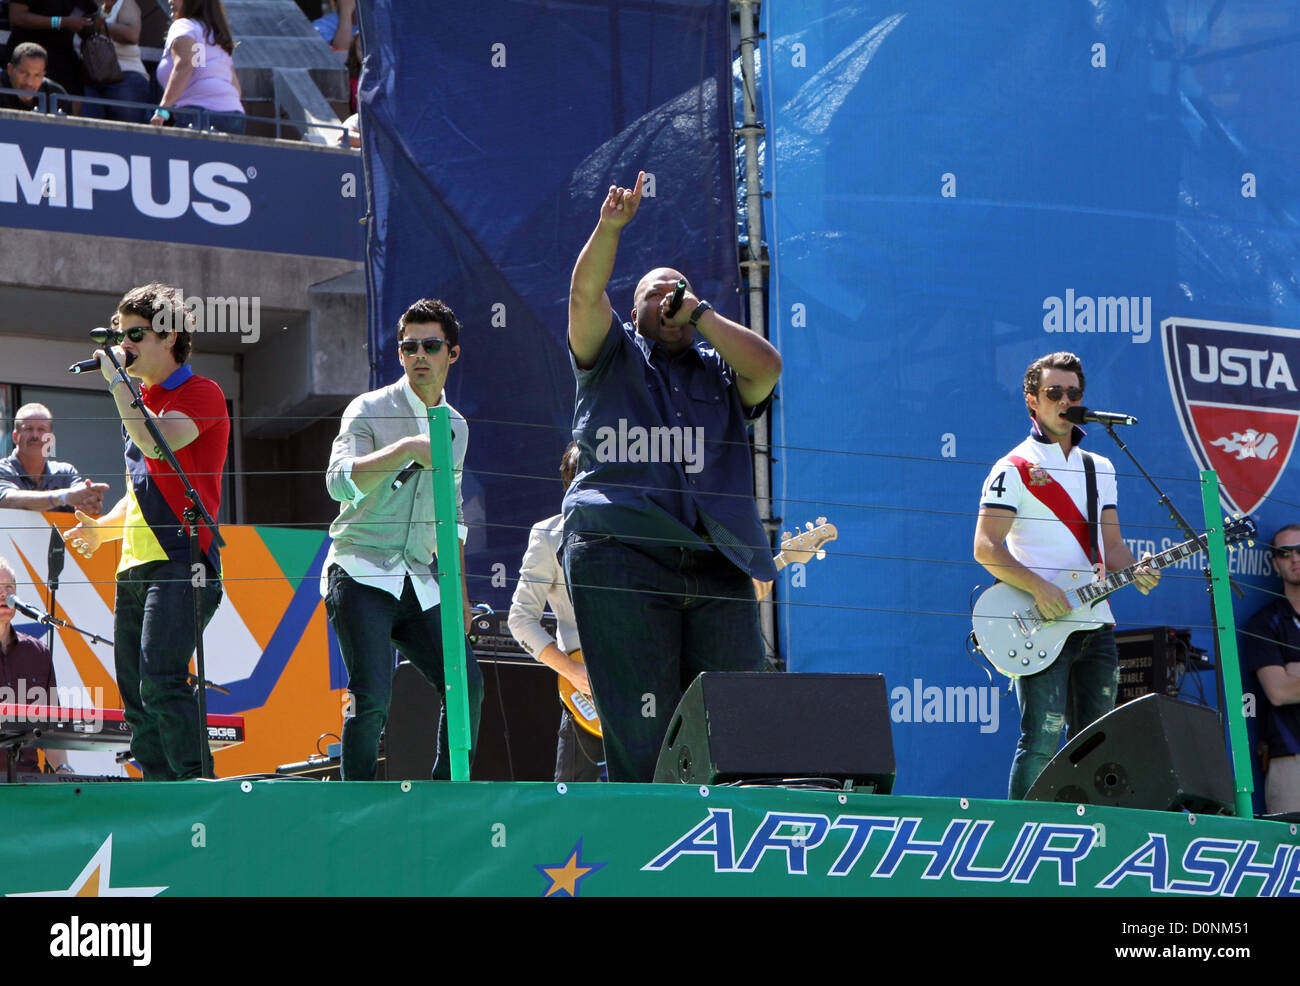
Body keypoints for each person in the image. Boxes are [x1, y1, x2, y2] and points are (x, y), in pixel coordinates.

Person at [563, 170, 783, 782]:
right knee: (642, 735)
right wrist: (610, 228)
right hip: (622, 552)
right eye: (657, 295)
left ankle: (726, 863)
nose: (672, 300)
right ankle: (643, 860)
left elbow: (767, 368)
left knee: (734, 731)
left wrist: (702, 312)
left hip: (717, 560)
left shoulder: (719, 368)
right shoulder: (611, 358)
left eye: (680, 292)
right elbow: (585, 297)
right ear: (633, 314)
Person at [63, 282, 229, 781]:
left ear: (169, 336)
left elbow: (160, 446)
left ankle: (198, 794)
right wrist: (104, 531)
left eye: (134, 334)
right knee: (136, 697)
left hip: (183, 561)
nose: (123, 344)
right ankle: (161, 798)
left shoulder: (200, 392)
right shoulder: (139, 400)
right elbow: (145, 494)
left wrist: (118, 384)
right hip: (135, 566)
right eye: (119, 334)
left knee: (162, 681)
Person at [974, 351, 1159, 800]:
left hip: (1096, 624)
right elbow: (985, 547)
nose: (1065, 401)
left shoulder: (1101, 468)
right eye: (1053, 392)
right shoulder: (1012, 467)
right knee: (1040, 743)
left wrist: (1137, 571)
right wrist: (1039, 587)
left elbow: (1113, 549)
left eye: (1073, 393)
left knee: (1097, 745)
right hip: (1041, 620)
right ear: (1031, 401)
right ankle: (1020, 843)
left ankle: (1087, 839)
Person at [323, 298, 482, 781]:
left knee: (466, 684)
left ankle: (445, 796)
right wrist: (405, 449)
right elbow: (337, 483)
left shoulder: (456, 426)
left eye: (430, 346)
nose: (418, 356)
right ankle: (359, 807)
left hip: (418, 577)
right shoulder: (367, 408)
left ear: (451, 354)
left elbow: (451, 515)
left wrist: (461, 597)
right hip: (359, 568)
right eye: (408, 346)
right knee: (371, 694)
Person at [508, 442, 604, 782]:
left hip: (641, 684)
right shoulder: (548, 534)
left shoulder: (641, 528)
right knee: (570, 804)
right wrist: (572, 671)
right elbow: (520, 619)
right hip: (584, 692)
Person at [1241, 524, 1300, 814]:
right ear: (1275, 564)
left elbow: (1290, 685)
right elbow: (1278, 692)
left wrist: (1294, 671)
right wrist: (1287, 680)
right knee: (1291, 858)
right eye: (1285, 553)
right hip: (1290, 761)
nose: (1295, 558)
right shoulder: (1265, 623)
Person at [0, 555, 70, 775]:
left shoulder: (38, 653)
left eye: (10, 587)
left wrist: (63, 769)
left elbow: (51, 728)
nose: (5, 594)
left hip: (28, 783)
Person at [152, 0, 244, 135]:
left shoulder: (183, 26)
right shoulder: (216, 38)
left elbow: (185, 65)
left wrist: (162, 110)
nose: (169, 0)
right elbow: (236, 87)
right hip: (234, 116)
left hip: (198, 115)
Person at [0, 402, 109, 514]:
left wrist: (90, 502)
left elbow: (81, 499)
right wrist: (63, 497)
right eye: (28, 429)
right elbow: (9, 500)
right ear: (14, 436)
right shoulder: (3, 470)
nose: (35, 435)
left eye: (41, 429)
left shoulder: (65, 473)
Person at [4, 0, 92, 100]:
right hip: (25, 59)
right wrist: (60, 22)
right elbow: (17, 16)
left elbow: (89, 19)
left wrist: (92, 23)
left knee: (71, 102)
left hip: (64, 62)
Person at [81, 0, 151, 123]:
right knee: (88, 133)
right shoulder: (78, 5)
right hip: (87, 77)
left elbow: (132, 34)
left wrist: (98, 26)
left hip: (125, 74)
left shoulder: (124, 3)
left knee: (127, 134)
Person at [0, 42, 71, 111]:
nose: (29, 82)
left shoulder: (57, 95)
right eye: (23, 73)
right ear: (10, 69)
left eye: (37, 75)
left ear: (43, 74)